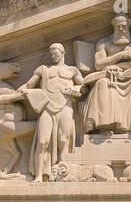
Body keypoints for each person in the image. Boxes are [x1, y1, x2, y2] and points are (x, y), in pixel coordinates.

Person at [82, 14, 131, 134]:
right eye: (118, 27)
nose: (121, 29)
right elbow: (98, 64)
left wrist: (120, 66)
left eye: (124, 26)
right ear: (114, 27)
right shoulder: (103, 43)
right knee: (102, 84)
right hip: (110, 78)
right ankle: (105, 127)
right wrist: (120, 56)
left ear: (128, 25)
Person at [18, 43, 85, 181]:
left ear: (63, 53)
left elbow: (84, 86)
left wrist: (78, 89)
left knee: (62, 139)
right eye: (51, 53)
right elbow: (28, 85)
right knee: (42, 142)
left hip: (66, 105)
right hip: (47, 107)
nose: (53, 56)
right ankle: (38, 175)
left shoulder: (73, 70)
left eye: (56, 53)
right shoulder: (43, 69)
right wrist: (14, 95)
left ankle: (62, 174)